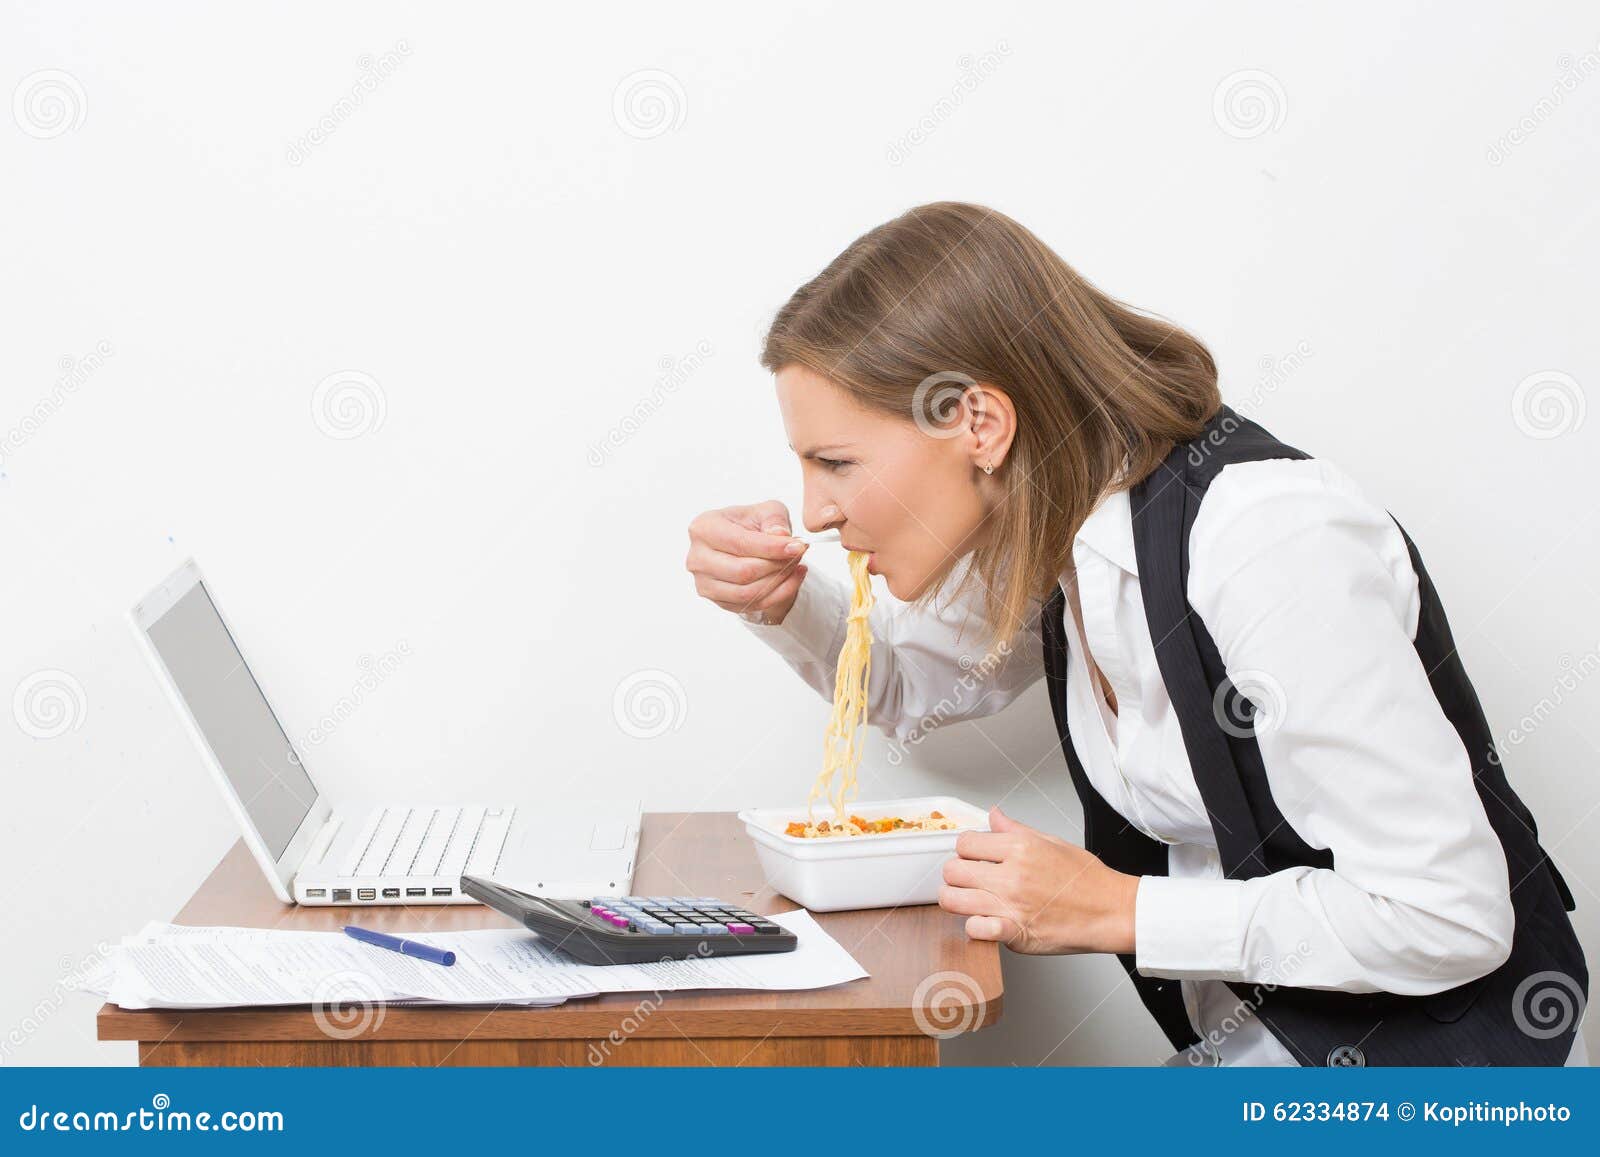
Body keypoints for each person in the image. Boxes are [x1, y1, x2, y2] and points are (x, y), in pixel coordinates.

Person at [684, 202, 1588, 1066]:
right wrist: (780, 602)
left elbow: (1452, 915)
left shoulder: (1263, 541)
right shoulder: (1058, 534)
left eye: (835, 462)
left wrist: (1117, 909)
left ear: (980, 423)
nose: (815, 510)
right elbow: (910, 688)